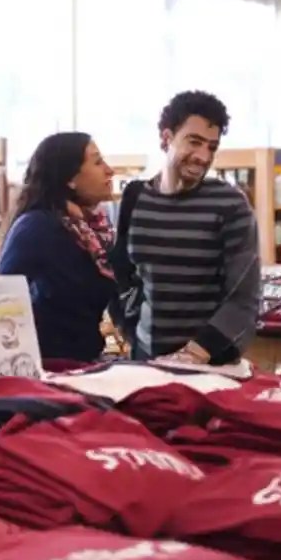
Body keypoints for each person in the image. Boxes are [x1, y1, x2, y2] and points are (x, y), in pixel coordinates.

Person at [111, 91, 259, 365]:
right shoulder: (135, 198)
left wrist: (195, 354)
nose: (203, 156)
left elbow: (244, 300)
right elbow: (120, 274)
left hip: (210, 364)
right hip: (145, 359)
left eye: (212, 147)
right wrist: (131, 332)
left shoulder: (230, 204)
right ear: (166, 138)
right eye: (194, 142)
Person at [0, 132, 117, 362]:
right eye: (98, 162)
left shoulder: (90, 231)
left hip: (85, 362)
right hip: (48, 367)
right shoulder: (37, 226)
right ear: (70, 178)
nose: (109, 171)